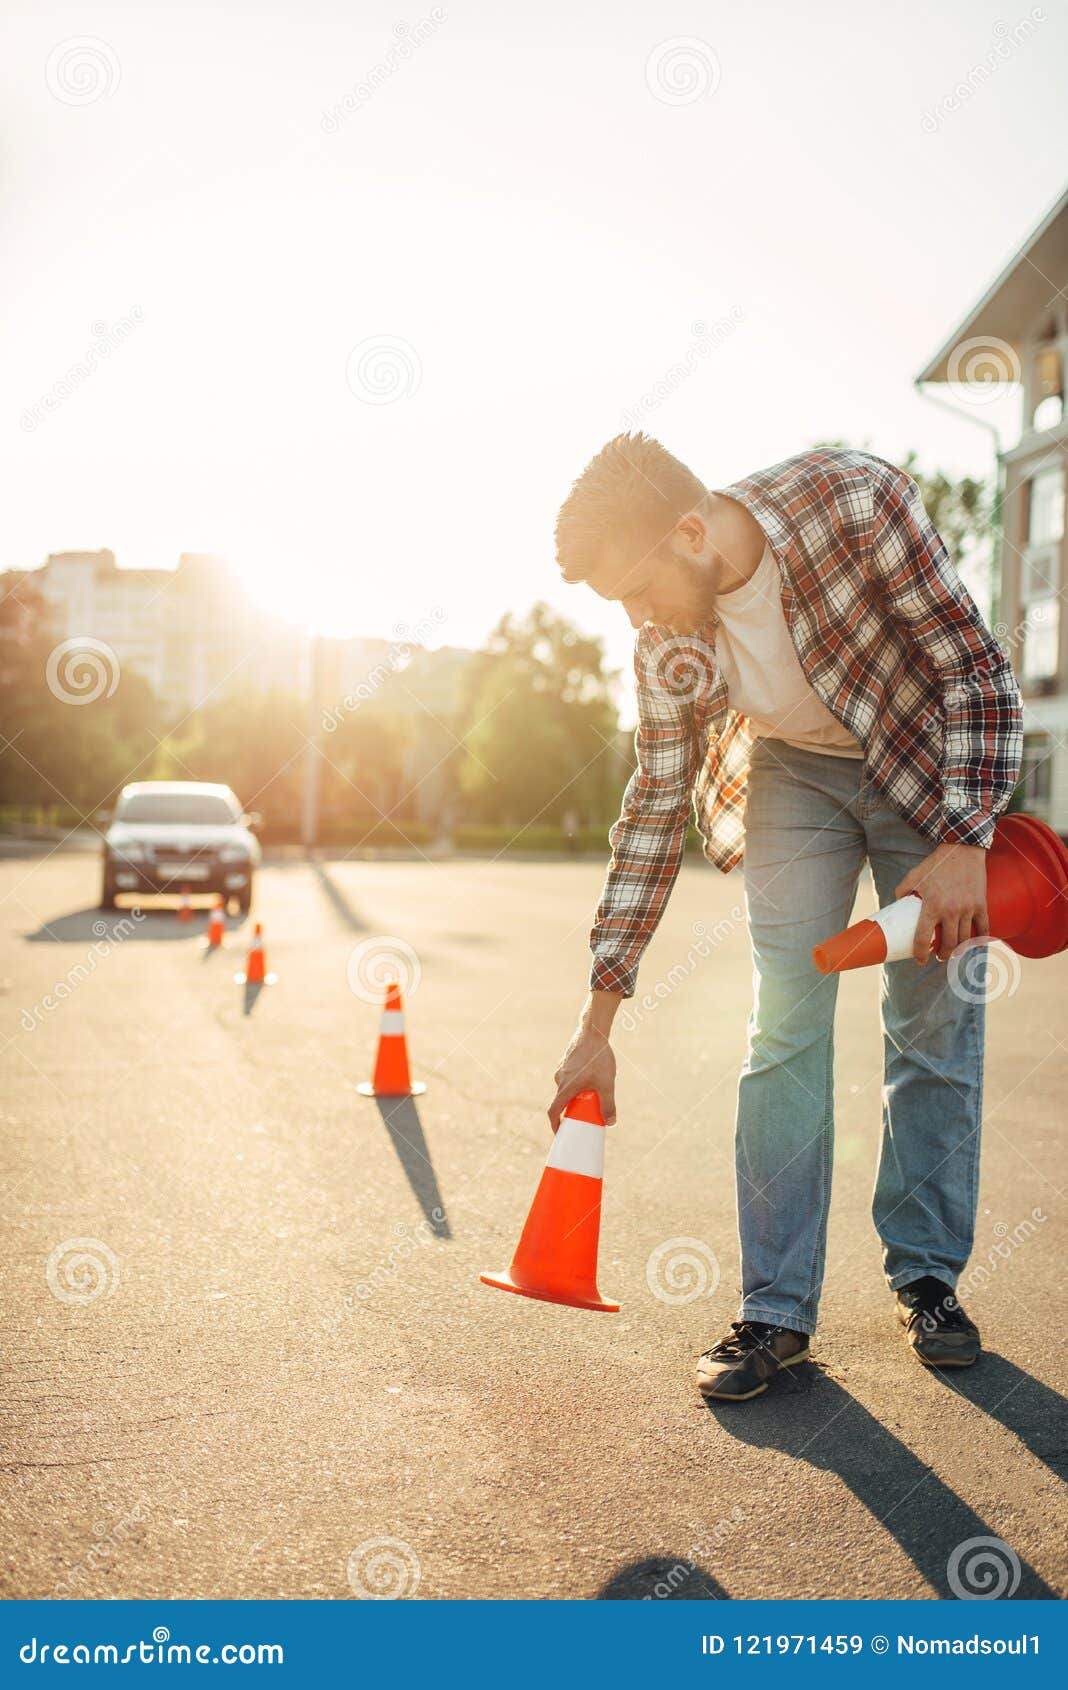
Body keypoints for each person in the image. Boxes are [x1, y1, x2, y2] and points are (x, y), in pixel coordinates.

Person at [549, 435, 1023, 1402]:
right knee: (783, 1027)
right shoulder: (667, 645)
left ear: (692, 532)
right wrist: (597, 1022)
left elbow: (974, 667)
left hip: (919, 760)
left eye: (636, 591)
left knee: (932, 1026)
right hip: (793, 777)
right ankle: (776, 1308)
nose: (636, 620)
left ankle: (927, 1280)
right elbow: (654, 807)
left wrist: (967, 838)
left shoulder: (855, 503)